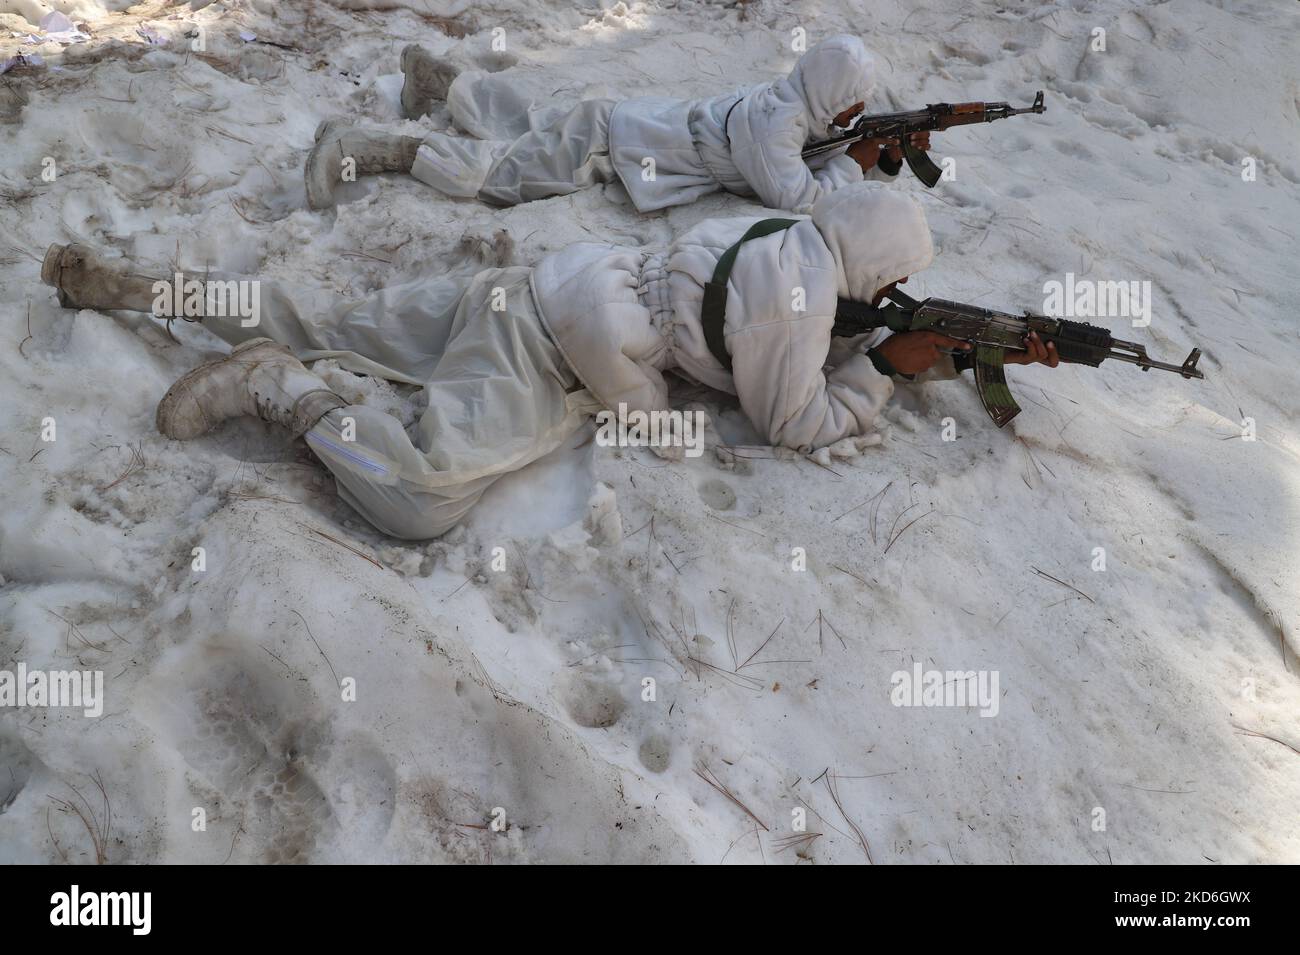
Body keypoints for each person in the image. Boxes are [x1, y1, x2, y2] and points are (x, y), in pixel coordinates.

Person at [39, 183, 1056, 540]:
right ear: (870, 271)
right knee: (418, 498)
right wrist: (887, 369)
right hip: (550, 356)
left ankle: (147, 288)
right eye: (892, 283)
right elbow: (793, 421)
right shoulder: (799, 307)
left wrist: (884, 336)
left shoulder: (784, 235)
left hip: (527, 288)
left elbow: (782, 320)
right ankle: (276, 387)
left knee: (319, 317)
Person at [305, 34, 929, 213]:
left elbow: (823, 149)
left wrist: (879, 155)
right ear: (826, 92)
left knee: (526, 122)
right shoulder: (774, 126)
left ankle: (442, 83)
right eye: (852, 104)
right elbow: (798, 199)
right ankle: (370, 148)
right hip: (613, 145)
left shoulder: (795, 99)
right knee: (501, 177)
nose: (854, 116)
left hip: (626, 124)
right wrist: (858, 163)